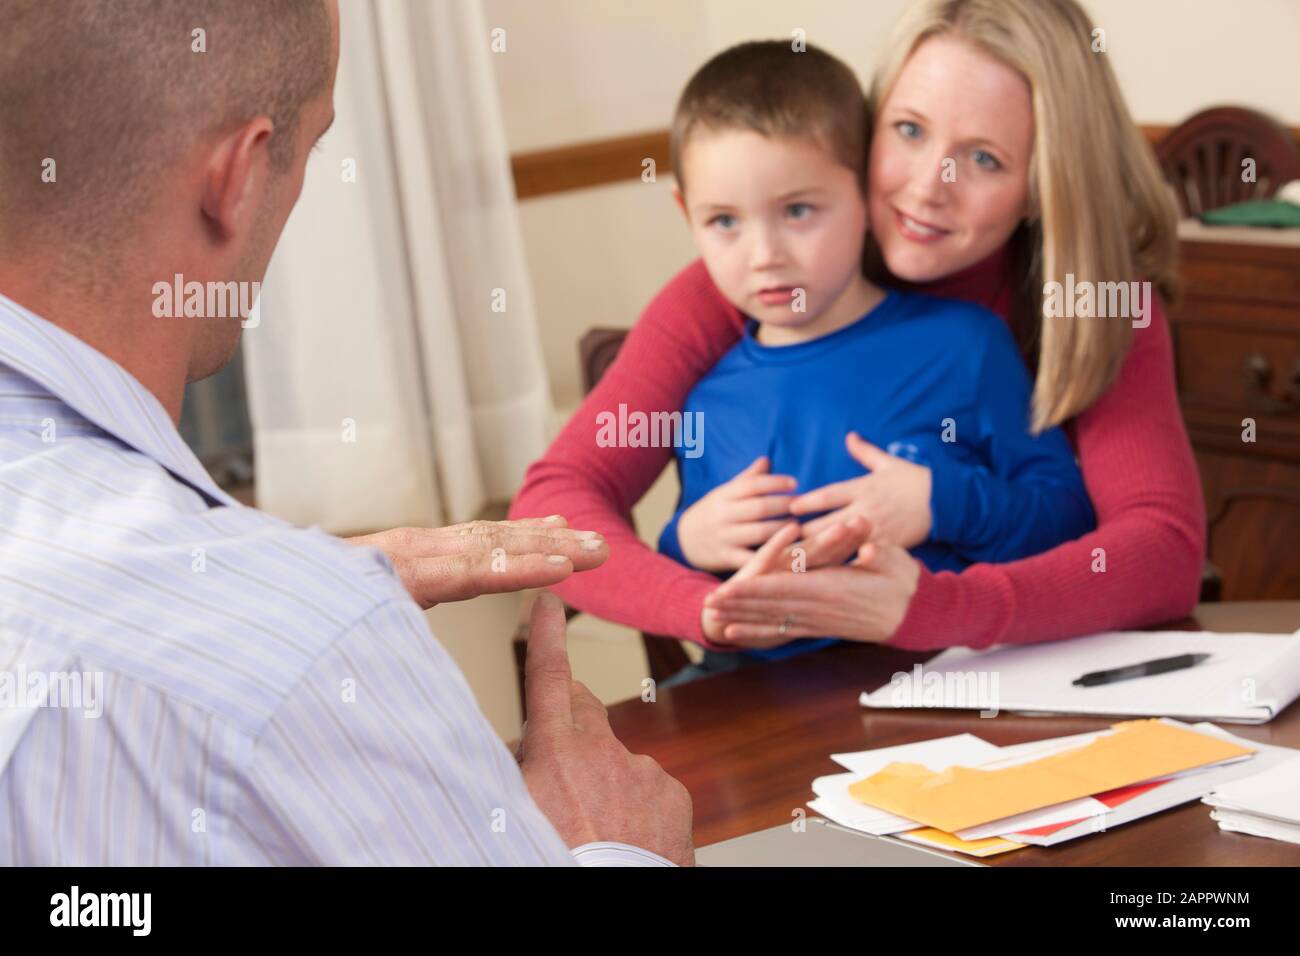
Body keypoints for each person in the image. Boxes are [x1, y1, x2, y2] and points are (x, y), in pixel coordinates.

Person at [0, 0, 691, 866]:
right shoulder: (310, 655)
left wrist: (264, 602)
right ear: (237, 178)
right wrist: (613, 849)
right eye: (312, 145)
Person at [510, 0, 1204, 655]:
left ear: (1043, 184)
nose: (930, 185)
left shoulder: (1098, 299)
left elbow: (1162, 552)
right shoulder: (757, 284)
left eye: (985, 158)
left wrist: (936, 603)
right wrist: (705, 602)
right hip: (768, 698)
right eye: (909, 130)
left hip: (979, 685)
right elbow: (553, 506)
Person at [652, 41, 1093, 681]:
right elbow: (704, 587)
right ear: (686, 216)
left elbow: (1066, 522)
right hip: (759, 705)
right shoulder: (708, 401)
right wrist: (684, 540)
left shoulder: (966, 347)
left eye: (798, 210)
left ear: (866, 194)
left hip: (953, 681)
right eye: (724, 220)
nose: (764, 254)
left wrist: (944, 503)